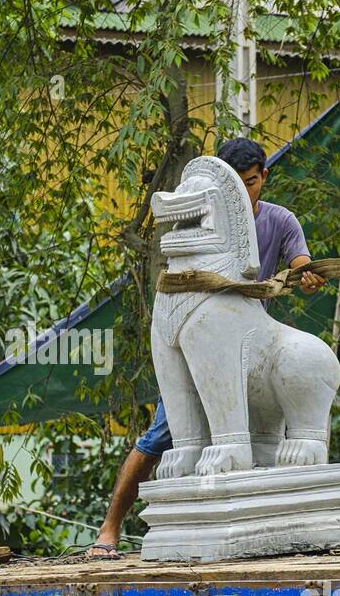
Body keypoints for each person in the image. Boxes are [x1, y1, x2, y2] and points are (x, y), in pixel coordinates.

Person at [87, 138, 325, 558]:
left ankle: (252, 456)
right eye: (238, 184)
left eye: (251, 182)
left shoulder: (280, 220)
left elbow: (300, 263)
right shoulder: (201, 223)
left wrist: (307, 275)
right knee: (163, 434)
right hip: (202, 334)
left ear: (262, 177)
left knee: (259, 421)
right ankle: (110, 528)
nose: (246, 190)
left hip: (250, 335)